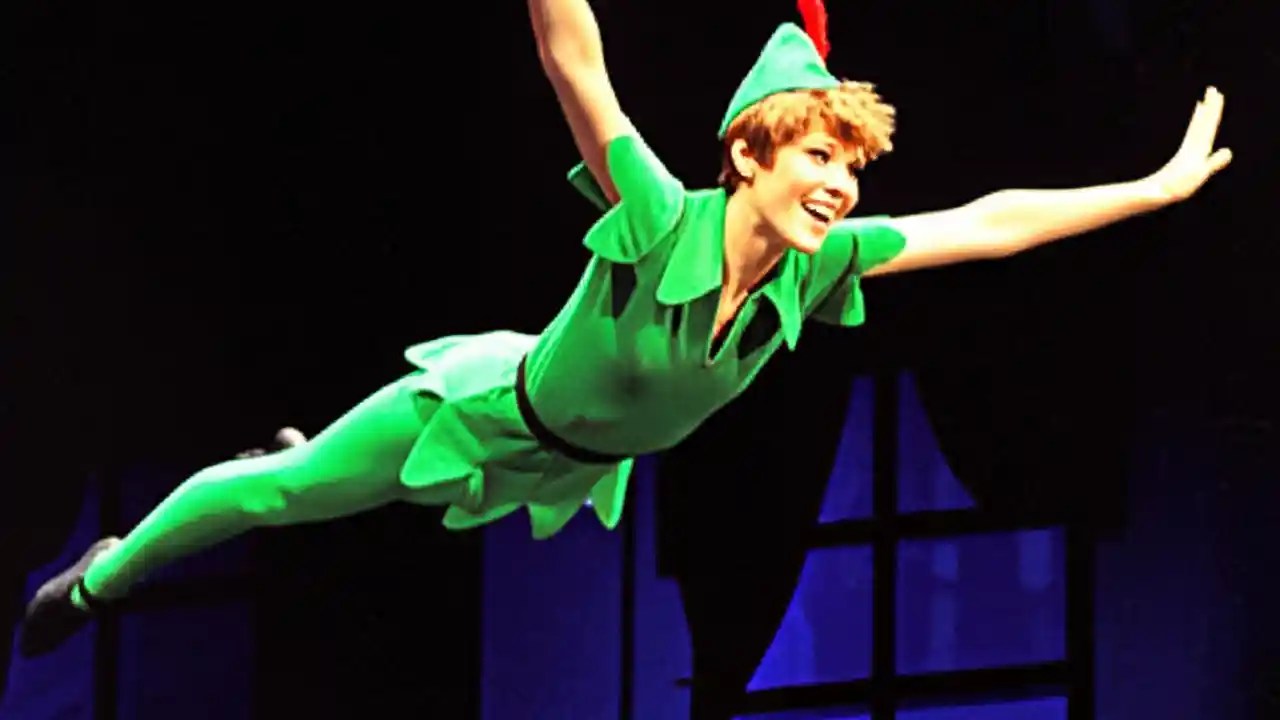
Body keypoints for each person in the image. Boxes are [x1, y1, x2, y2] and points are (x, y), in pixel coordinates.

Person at [17, 0, 1230, 658]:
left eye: (850, 167)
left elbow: (986, 222)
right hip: (479, 413)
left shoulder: (818, 270)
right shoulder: (656, 218)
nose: (839, 185)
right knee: (277, 497)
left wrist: (1151, 189)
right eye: (818, 156)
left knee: (320, 496)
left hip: (576, 460)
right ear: (747, 153)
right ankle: (99, 577)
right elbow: (571, 57)